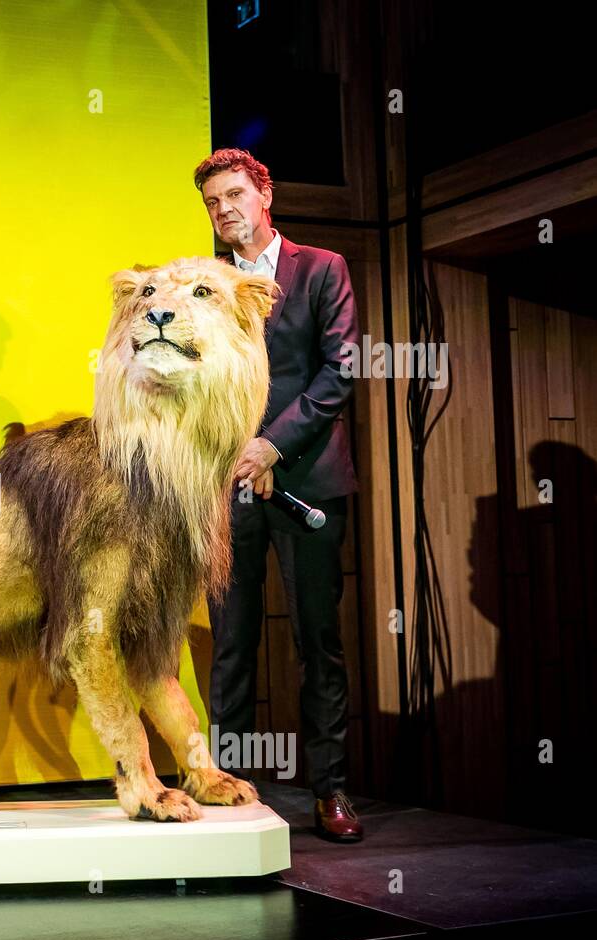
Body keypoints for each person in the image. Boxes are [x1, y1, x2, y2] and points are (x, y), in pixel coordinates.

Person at [194, 147, 363, 842]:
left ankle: (330, 789)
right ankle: (226, 783)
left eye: (234, 194)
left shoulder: (322, 268)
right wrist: (236, 451)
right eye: (212, 202)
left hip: (309, 480)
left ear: (266, 196)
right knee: (230, 641)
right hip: (226, 485)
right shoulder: (201, 283)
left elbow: (340, 370)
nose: (224, 208)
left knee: (317, 640)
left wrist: (271, 445)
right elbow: (191, 378)